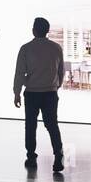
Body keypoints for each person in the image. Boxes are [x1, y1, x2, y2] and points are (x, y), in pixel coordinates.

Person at [14, 16, 65, 172]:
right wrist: (56, 86)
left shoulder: (26, 48)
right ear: (47, 31)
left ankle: (31, 156)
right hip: (50, 92)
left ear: (34, 30)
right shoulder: (56, 48)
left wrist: (17, 93)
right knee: (52, 125)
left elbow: (20, 73)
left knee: (30, 125)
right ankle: (58, 154)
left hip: (32, 93)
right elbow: (61, 71)